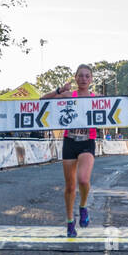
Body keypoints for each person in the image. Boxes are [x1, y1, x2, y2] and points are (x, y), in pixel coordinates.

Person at [42, 64, 99, 237]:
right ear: (75, 78)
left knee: (83, 180)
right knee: (70, 186)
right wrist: (59, 89)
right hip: (69, 141)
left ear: (91, 79)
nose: (83, 79)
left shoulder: (97, 98)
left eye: (87, 76)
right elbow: (43, 100)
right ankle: (69, 222)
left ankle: (82, 206)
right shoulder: (68, 95)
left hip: (87, 141)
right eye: (80, 76)